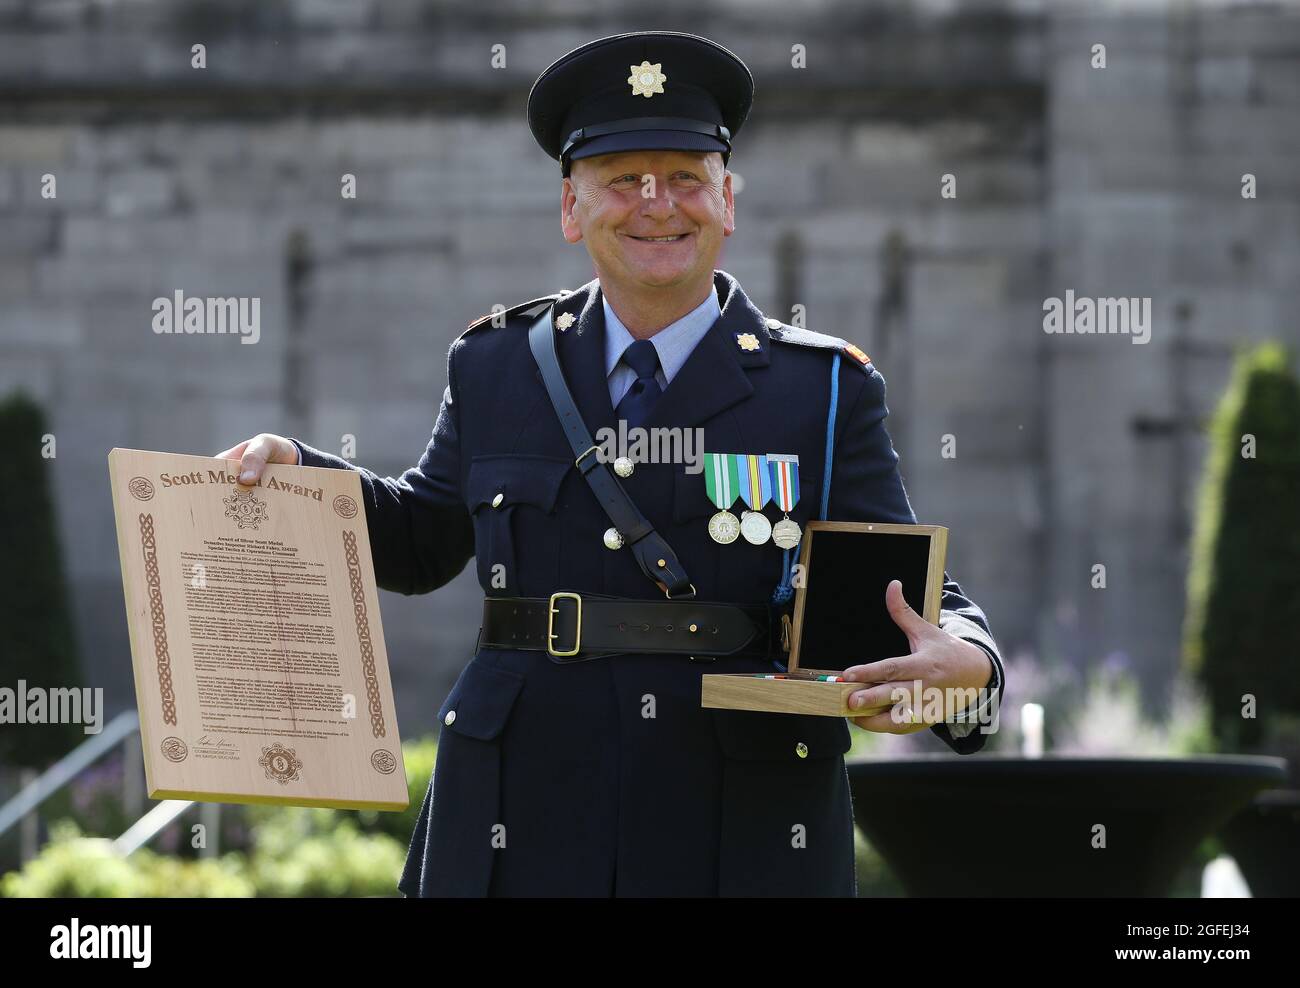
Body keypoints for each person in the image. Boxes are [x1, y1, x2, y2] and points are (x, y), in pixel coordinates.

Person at [217, 30, 1004, 897]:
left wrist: (970, 667)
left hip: (736, 825)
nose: (656, 204)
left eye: (685, 178)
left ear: (728, 199)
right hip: (520, 811)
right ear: (570, 207)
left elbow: (914, 600)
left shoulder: (820, 390)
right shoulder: (494, 364)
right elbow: (424, 538)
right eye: (624, 179)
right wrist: (300, 479)